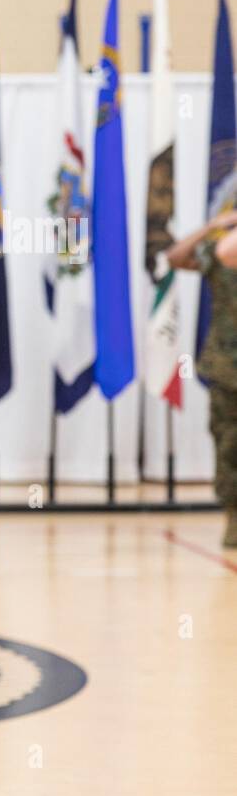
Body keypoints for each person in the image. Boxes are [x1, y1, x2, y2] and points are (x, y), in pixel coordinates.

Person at [163, 208, 237, 544]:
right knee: (227, 444)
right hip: (225, 366)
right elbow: (176, 257)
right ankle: (234, 517)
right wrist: (210, 226)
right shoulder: (221, 253)